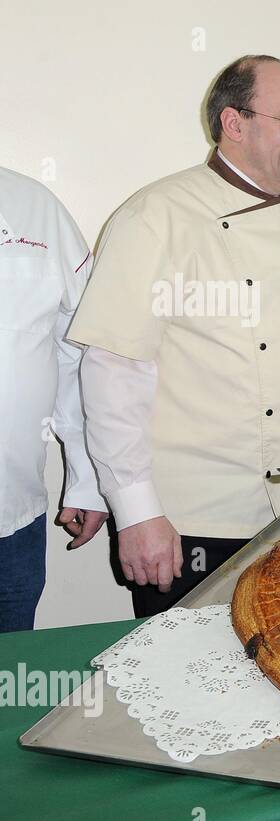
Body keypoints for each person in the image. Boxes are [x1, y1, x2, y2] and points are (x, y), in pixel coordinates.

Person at [69, 55, 280, 616]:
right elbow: (112, 373)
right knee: (187, 690)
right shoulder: (155, 216)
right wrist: (136, 510)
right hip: (190, 522)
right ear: (233, 123)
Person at [0, 167, 108, 633]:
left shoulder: (35, 207)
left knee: (10, 693)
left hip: (13, 521)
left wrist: (86, 479)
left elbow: (78, 354)